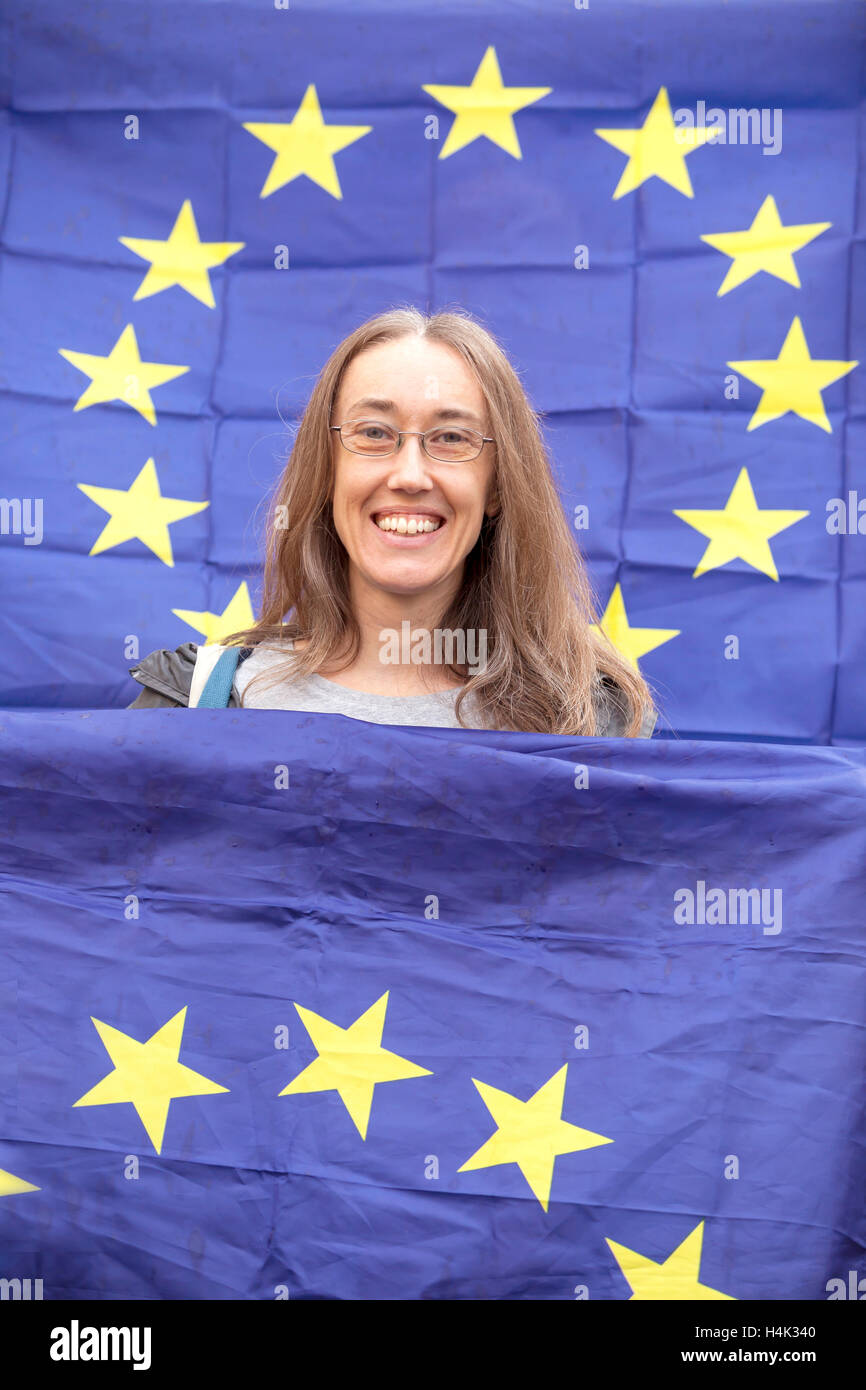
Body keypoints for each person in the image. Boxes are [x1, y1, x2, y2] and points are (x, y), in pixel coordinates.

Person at [127, 306, 656, 737]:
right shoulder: (197, 701)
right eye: (374, 433)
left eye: (452, 438)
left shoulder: (590, 719)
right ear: (327, 469)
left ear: (497, 487)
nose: (409, 475)